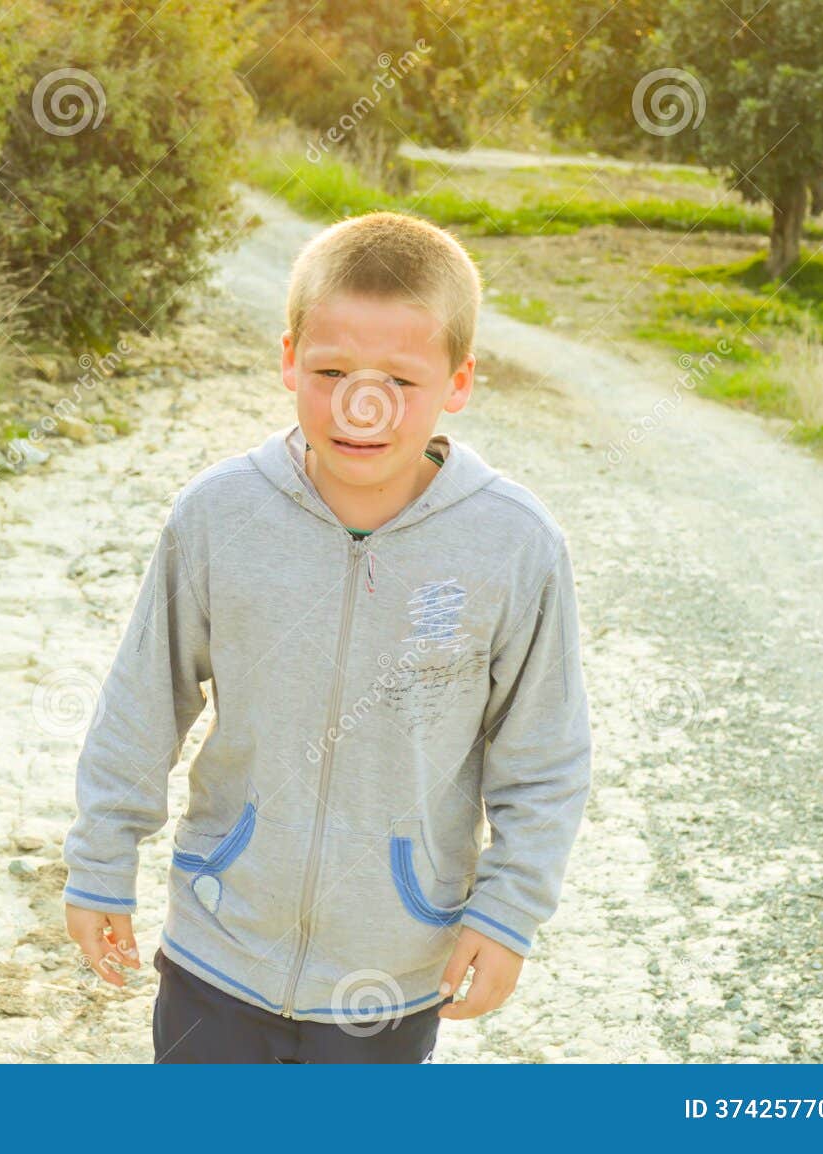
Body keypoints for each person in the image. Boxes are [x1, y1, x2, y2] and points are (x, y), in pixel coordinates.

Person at [61, 209, 593, 1063]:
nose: (361, 405)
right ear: (288, 360)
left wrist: (509, 913)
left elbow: (545, 755)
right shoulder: (220, 514)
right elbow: (142, 699)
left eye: (402, 380)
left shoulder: (514, 544)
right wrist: (99, 861)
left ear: (459, 381)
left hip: (387, 976)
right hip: (218, 947)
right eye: (331, 370)